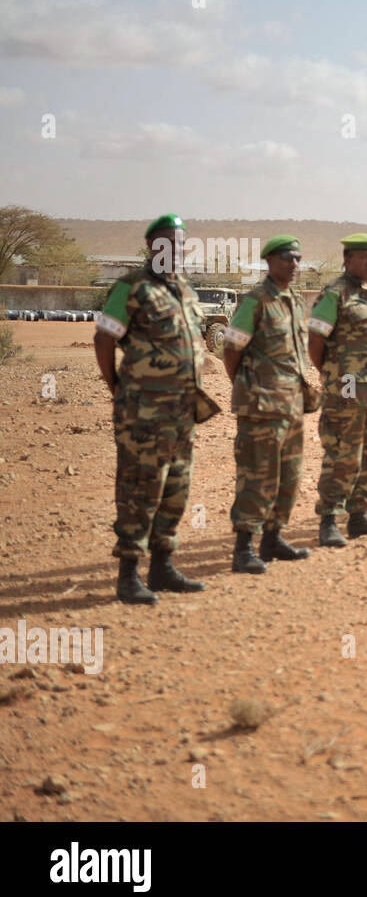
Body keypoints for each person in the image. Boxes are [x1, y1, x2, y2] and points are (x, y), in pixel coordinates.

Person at [94, 213, 219, 604]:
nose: (176, 248)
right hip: (143, 412)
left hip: (182, 411)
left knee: (175, 487)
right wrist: (117, 387)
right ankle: (128, 574)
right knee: (139, 488)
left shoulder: (184, 289)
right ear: (153, 247)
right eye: (168, 242)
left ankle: (163, 566)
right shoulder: (132, 287)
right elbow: (103, 338)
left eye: (182, 242)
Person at [222, 233, 315, 573]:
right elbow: (231, 350)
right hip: (260, 408)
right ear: (269, 262)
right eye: (286, 259)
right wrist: (247, 387)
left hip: (291, 405)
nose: (293, 265)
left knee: (288, 475)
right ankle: (244, 547)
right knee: (257, 475)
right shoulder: (256, 300)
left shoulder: (294, 301)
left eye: (297, 260)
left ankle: (273, 538)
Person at [308, 233, 367, 546]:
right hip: (347, 387)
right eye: (364, 257)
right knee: (343, 453)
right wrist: (333, 376)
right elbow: (316, 343)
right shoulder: (335, 294)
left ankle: (360, 515)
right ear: (347, 260)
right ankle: (329, 520)